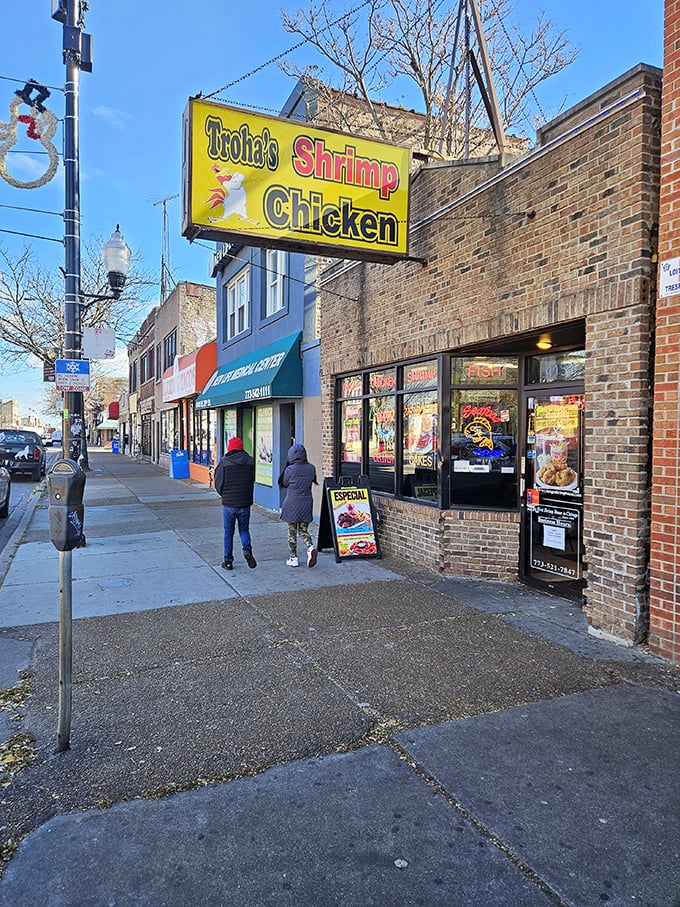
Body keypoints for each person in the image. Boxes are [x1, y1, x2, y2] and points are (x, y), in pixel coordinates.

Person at [214, 437, 257, 570]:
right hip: (244, 504)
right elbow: (252, 480)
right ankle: (247, 550)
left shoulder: (224, 462)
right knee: (244, 530)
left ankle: (228, 561)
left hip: (229, 504)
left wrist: (224, 495)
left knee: (228, 532)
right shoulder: (250, 461)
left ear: (229, 448)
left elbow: (218, 483)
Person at [278, 443, 318, 567]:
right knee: (303, 530)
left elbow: (284, 483)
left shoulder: (290, 469)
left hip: (292, 503)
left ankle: (293, 558)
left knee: (292, 532)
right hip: (306, 503)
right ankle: (310, 548)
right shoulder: (311, 468)